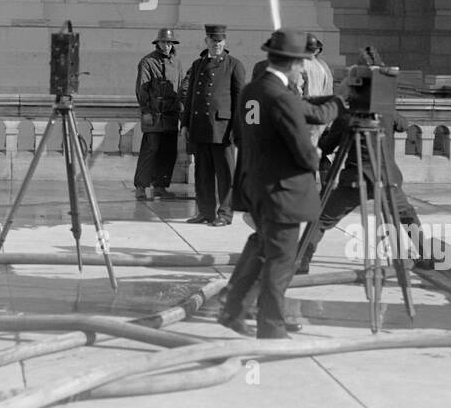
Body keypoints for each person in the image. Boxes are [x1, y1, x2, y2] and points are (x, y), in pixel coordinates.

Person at [217, 29, 341, 339]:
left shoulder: (253, 90)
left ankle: (233, 308)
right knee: (282, 260)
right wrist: (315, 156)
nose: (303, 70)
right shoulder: (283, 97)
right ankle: (271, 327)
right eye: (301, 63)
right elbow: (304, 153)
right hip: (282, 191)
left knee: (262, 246)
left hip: (256, 184)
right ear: (291, 64)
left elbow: (257, 131)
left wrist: (338, 102)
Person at [295, 71, 432, 275]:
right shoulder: (385, 111)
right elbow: (403, 125)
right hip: (386, 179)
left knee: (321, 219)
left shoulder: (347, 115)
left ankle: (301, 260)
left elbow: (328, 145)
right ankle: (425, 256)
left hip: (357, 179)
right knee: (406, 215)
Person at [181, 24, 246, 226]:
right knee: (202, 173)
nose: (216, 44)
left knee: (225, 173)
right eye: (213, 41)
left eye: (220, 41)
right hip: (200, 127)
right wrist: (185, 123)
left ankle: (225, 214)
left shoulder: (234, 65)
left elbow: (241, 99)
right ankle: (205, 212)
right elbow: (190, 96)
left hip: (222, 129)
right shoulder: (198, 64)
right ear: (206, 41)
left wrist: (238, 128)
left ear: (225, 42)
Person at [134, 28, 183, 201]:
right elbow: (142, 89)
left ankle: (161, 186)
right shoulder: (147, 61)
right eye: (164, 42)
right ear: (158, 43)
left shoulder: (176, 62)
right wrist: (146, 110)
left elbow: (180, 86)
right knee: (150, 150)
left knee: (168, 151)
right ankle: (141, 186)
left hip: (170, 115)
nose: (167, 46)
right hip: (153, 114)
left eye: (170, 42)